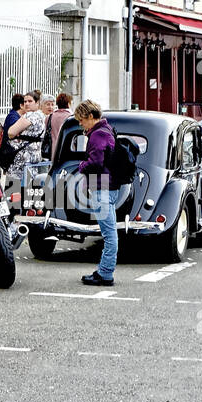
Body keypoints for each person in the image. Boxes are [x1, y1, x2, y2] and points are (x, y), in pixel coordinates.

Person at [74, 100, 123, 286]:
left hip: (102, 187)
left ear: (91, 117)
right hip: (107, 186)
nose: (80, 123)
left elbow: (95, 162)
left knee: (109, 234)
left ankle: (105, 274)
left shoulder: (97, 135)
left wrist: (81, 166)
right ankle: (104, 270)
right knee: (109, 233)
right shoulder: (106, 130)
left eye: (82, 119)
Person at [5, 91, 46, 188]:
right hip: (34, 156)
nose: (27, 104)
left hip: (22, 159)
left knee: (14, 191)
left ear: (37, 103)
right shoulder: (41, 115)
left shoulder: (30, 115)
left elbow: (11, 132)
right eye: (25, 101)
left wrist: (18, 132)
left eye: (30, 101)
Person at [46, 92, 73, 159]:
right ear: (69, 104)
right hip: (69, 151)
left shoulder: (49, 117)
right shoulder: (72, 117)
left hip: (53, 152)